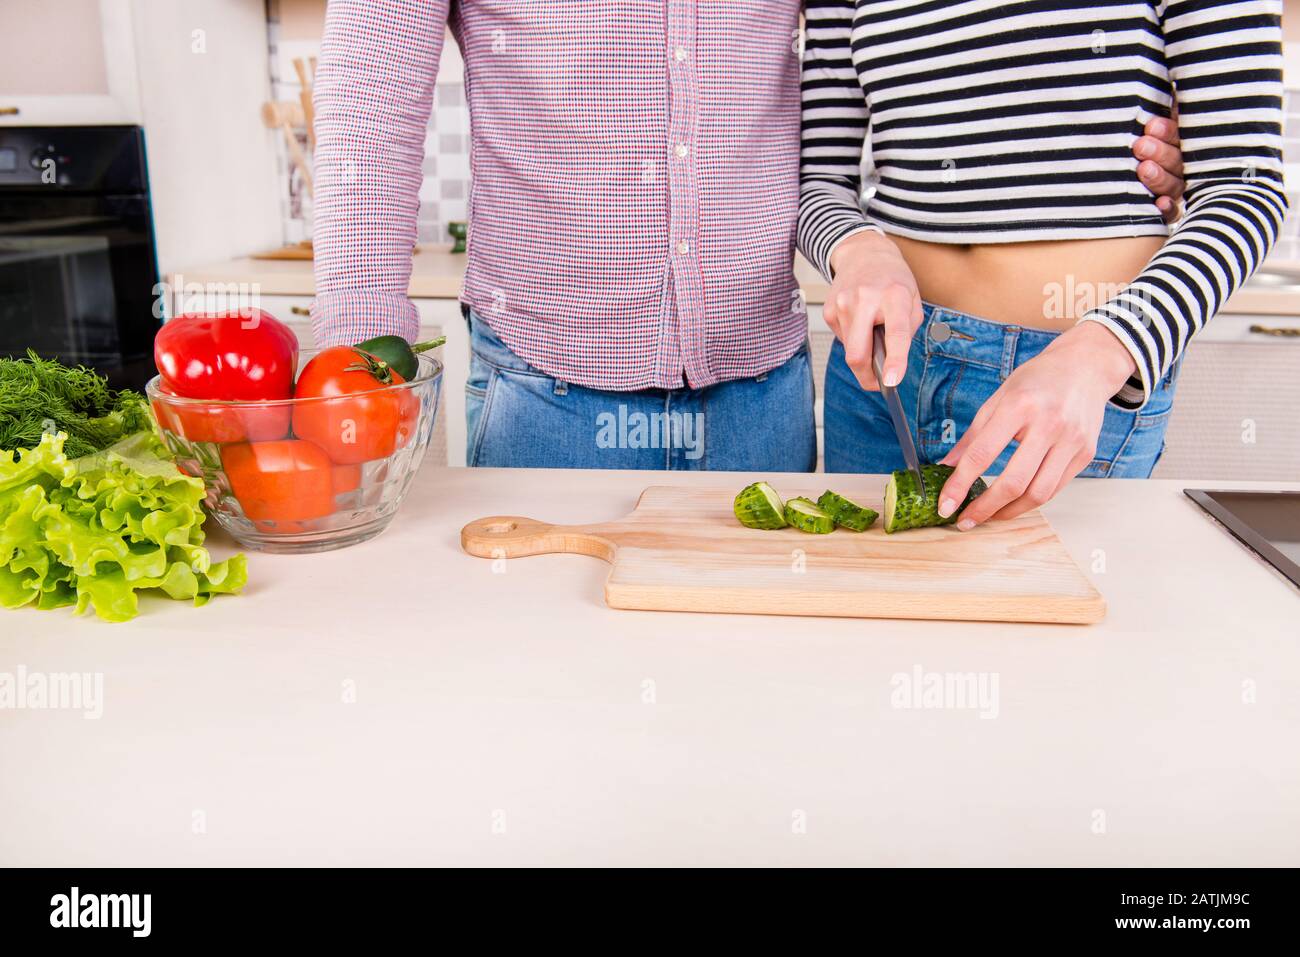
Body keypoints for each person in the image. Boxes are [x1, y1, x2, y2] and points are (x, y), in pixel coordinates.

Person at [311, 0, 1187, 471]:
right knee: (558, 716)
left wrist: (1130, 107)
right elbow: (369, 107)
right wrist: (343, 391)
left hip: (763, 398)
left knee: (770, 718)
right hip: (550, 396)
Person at [801, 0, 1286, 525]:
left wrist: (1104, 350)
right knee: (867, 600)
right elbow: (819, 181)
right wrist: (857, 248)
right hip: (880, 367)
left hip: (1071, 377)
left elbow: (1245, 190)